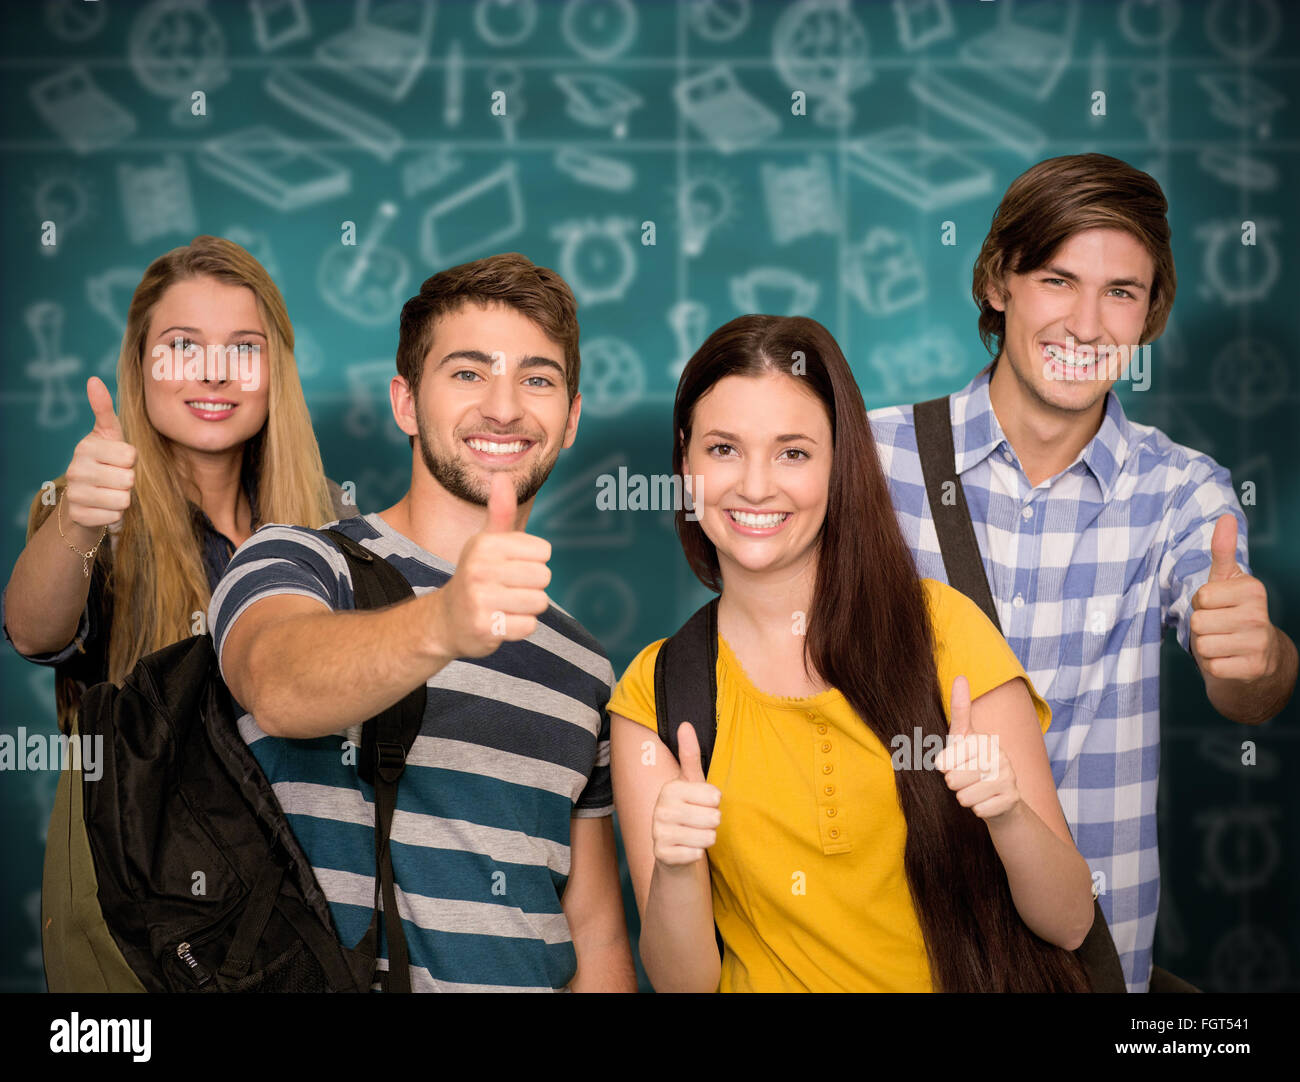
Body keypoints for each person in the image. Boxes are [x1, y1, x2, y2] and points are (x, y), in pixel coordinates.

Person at [868, 153, 1297, 991]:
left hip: (1088, 967)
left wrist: (1258, 654)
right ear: (1000, 282)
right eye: (1058, 280)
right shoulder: (870, 463)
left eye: (1122, 292)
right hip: (890, 952)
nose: (1088, 324)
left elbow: (1251, 691)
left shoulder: (1182, 493)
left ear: (1151, 313)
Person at [608, 314, 1095, 992]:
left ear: (841, 464)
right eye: (723, 449)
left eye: (793, 452)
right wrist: (679, 866)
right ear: (685, 462)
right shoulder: (655, 693)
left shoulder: (946, 631)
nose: (754, 485)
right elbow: (681, 984)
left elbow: (1070, 923)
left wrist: (1006, 811)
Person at [209, 253, 636, 992]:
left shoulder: (586, 665)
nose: (503, 408)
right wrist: (443, 622)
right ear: (406, 404)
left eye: (536, 378)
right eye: (468, 373)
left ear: (569, 421)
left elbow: (593, 932)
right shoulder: (301, 561)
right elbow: (274, 681)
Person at [3, 233, 351, 732]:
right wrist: (79, 523)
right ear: (141, 361)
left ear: (277, 369)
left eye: (244, 349)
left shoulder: (335, 510)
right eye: (183, 345)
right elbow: (33, 636)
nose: (214, 373)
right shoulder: (90, 504)